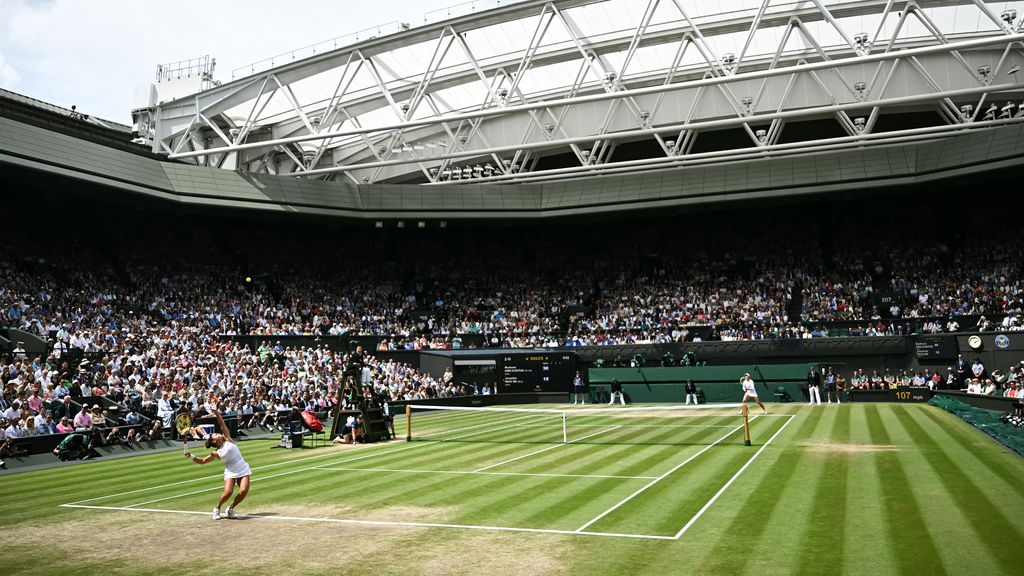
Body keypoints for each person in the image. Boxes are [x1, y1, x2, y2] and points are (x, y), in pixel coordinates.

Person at [183, 409, 251, 520]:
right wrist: (191, 456)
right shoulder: (216, 453)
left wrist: (216, 412)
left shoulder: (228, 439)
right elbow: (203, 461)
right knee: (228, 492)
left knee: (243, 491)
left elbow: (222, 423)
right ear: (214, 441)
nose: (218, 433)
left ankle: (230, 509)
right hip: (230, 471)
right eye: (215, 434)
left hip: (243, 468)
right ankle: (217, 508)